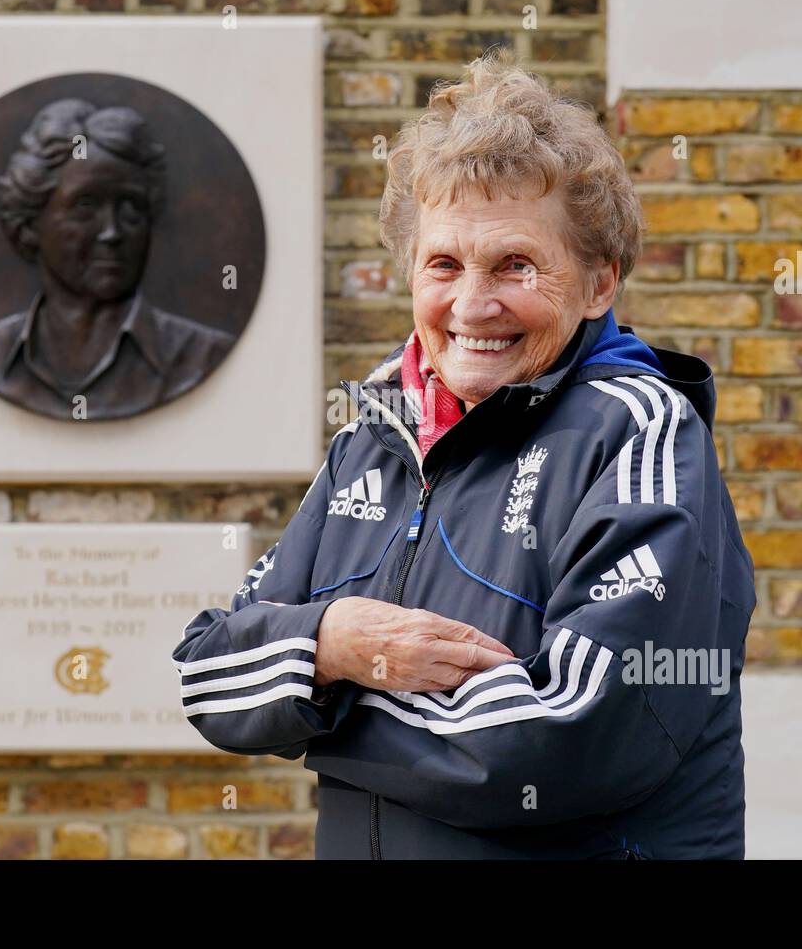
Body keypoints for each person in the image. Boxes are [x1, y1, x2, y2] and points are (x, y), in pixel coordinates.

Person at [172, 49, 756, 859]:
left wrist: (319, 700)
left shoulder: (642, 433)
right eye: (443, 263)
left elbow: (567, 738)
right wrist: (333, 645)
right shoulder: (373, 439)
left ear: (598, 285)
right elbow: (206, 669)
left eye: (517, 265)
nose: (473, 303)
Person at [0, 99, 235, 420]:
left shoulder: (206, 358)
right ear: (29, 226)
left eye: (131, 208)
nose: (112, 232)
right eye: (85, 206)